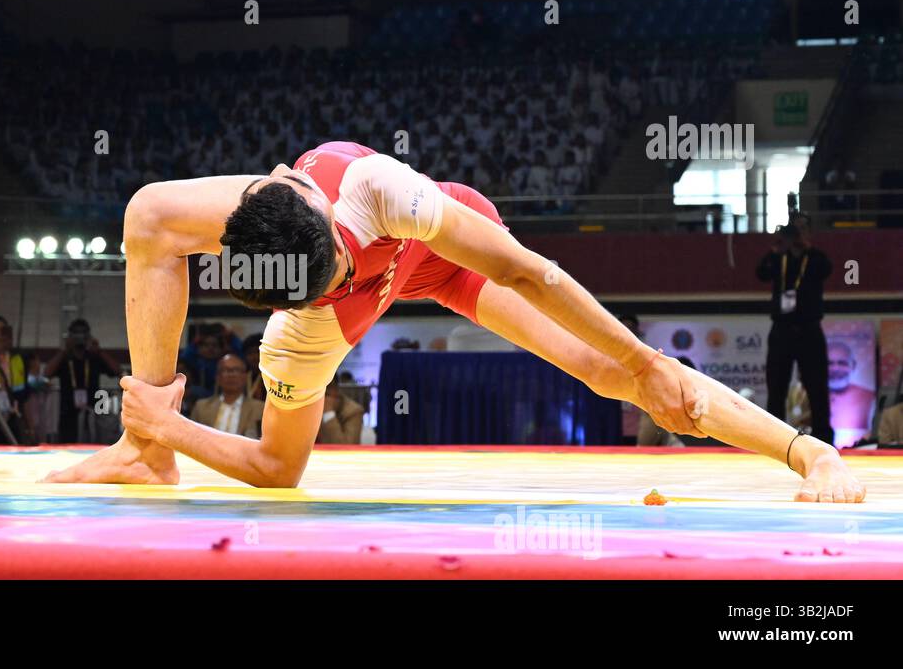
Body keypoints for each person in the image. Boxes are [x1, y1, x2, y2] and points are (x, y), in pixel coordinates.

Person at [48, 141, 864, 503]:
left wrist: (639, 359)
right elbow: (276, 470)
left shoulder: (370, 187)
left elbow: (527, 271)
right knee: (152, 222)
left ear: (299, 193)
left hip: (441, 249)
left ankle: (807, 447)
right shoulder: (301, 324)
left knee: (625, 371)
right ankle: (145, 453)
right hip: (343, 302)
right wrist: (167, 426)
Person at [756, 216, 833, 443]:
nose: (796, 235)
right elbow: (760, 273)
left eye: (801, 230)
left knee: (816, 385)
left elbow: (827, 269)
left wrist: (806, 246)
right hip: (782, 328)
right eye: (794, 231)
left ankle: (823, 438)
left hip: (809, 328)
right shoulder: (780, 257)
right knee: (777, 384)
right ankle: (773, 438)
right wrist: (776, 249)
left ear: (808, 232)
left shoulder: (815, 258)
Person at [44, 318, 120, 441]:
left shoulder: (94, 358)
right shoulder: (64, 359)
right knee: (67, 449)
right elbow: (46, 373)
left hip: (93, 413)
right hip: (68, 414)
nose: (79, 338)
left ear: (88, 336)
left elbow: (117, 370)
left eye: (83, 334)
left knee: (92, 448)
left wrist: (99, 351)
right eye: (76, 334)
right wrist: (64, 350)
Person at [190, 354, 262, 438]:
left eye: (236, 370)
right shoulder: (201, 407)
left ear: (245, 376)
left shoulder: (260, 408)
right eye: (226, 370)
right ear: (218, 377)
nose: (231, 375)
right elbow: (192, 438)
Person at [317, 375, 364, 445]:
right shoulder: (308, 405)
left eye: (327, 389)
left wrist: (328, 413)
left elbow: (347, 447)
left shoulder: (353, 411)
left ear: (336, 389)